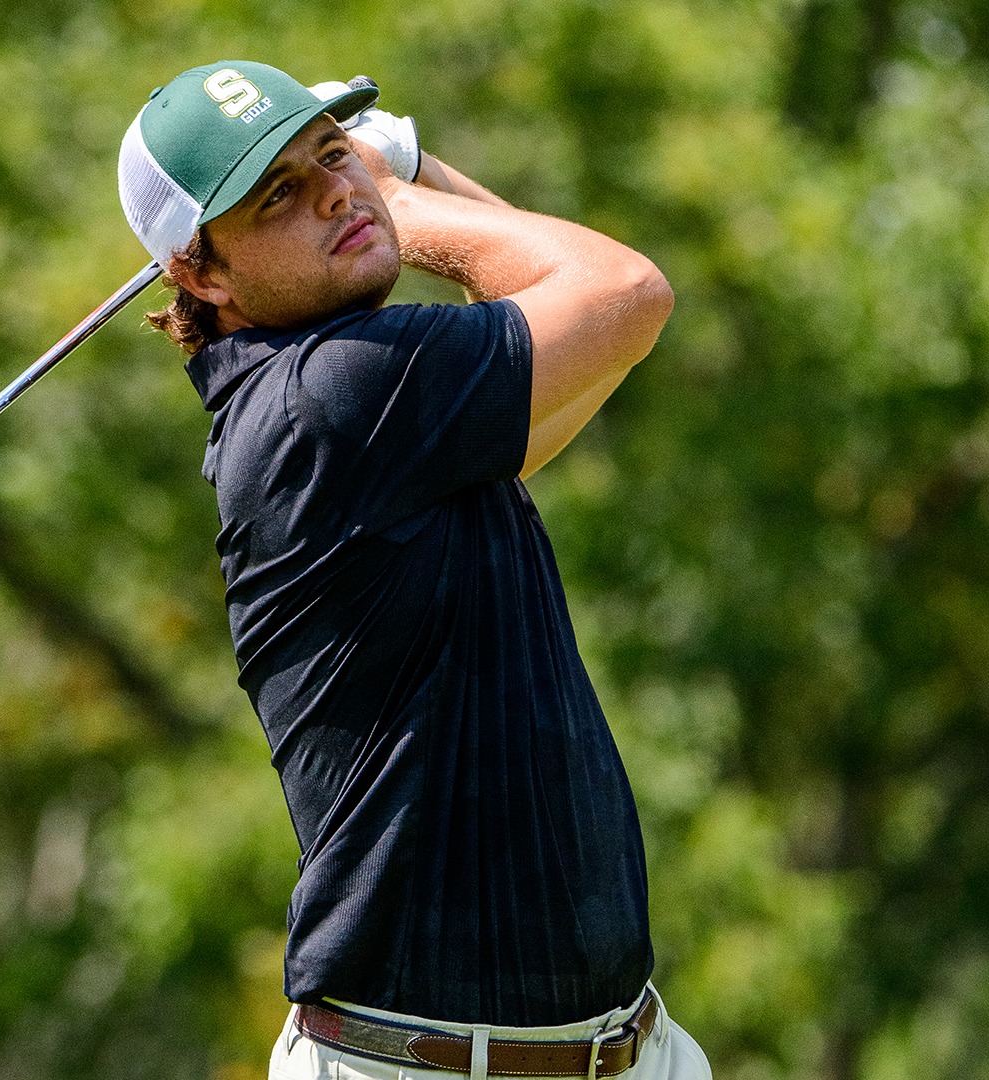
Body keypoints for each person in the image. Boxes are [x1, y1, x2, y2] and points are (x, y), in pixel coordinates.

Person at [117, 60, 708, 1080]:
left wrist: (403, 170)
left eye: (330, 154)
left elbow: (586, 331)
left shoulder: (370, 414)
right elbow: (624, 291)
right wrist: (400, 186)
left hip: (621, 1049)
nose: (332, 193)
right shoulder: (327, 398)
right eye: (278, 193)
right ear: (202, 275)